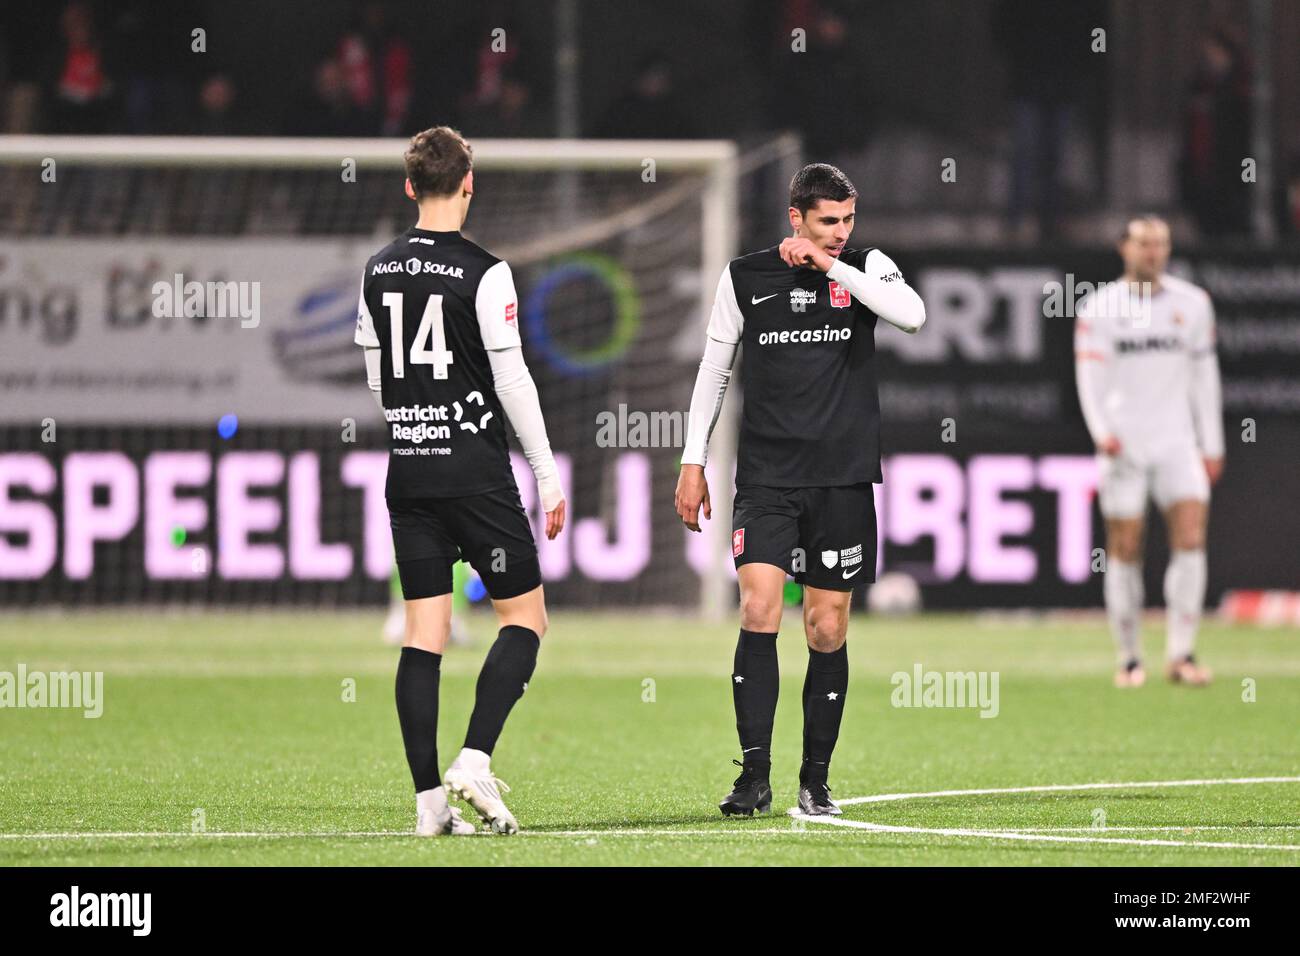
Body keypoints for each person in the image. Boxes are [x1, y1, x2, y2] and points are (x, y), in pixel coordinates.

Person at [675, 163, 925, 817]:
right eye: (826, 222)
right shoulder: (745, 278)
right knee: (759, 609)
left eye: (847, 219)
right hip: (767, 479)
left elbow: (913, 316)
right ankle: (752, 778)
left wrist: (831, 265)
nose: (841, 232)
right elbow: (714, 369)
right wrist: (693, 460)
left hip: (842, 479)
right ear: (795, 217)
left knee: (826, 626)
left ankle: (815, 782)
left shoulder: (867, 267)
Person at [355, 127, 566, 835]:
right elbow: (512, 380)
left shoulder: (377, 270)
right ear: (469, 183)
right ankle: (474, 760)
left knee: (423, 635)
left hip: (408, 472)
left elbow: (381, 380)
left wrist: (415, 425)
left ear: (410, 187)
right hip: (474, 473)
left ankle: (427, 806)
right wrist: (545, 472)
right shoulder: (486, 271)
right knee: (525, 617)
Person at [1074, 216, 1223, 688]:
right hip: (1125, 445)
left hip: (1178, 442)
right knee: (1124, 548)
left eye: (1160, 244)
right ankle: (1130, 657)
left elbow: (1205, 378)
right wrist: (1101, 431)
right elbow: (1090, 378)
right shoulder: (1099, 307)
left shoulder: (1193, 304)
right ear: (1124, 248)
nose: (1153, 252)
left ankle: (1181, 654)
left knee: (1191, 538)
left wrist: (1212, 442)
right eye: (1143, 244)